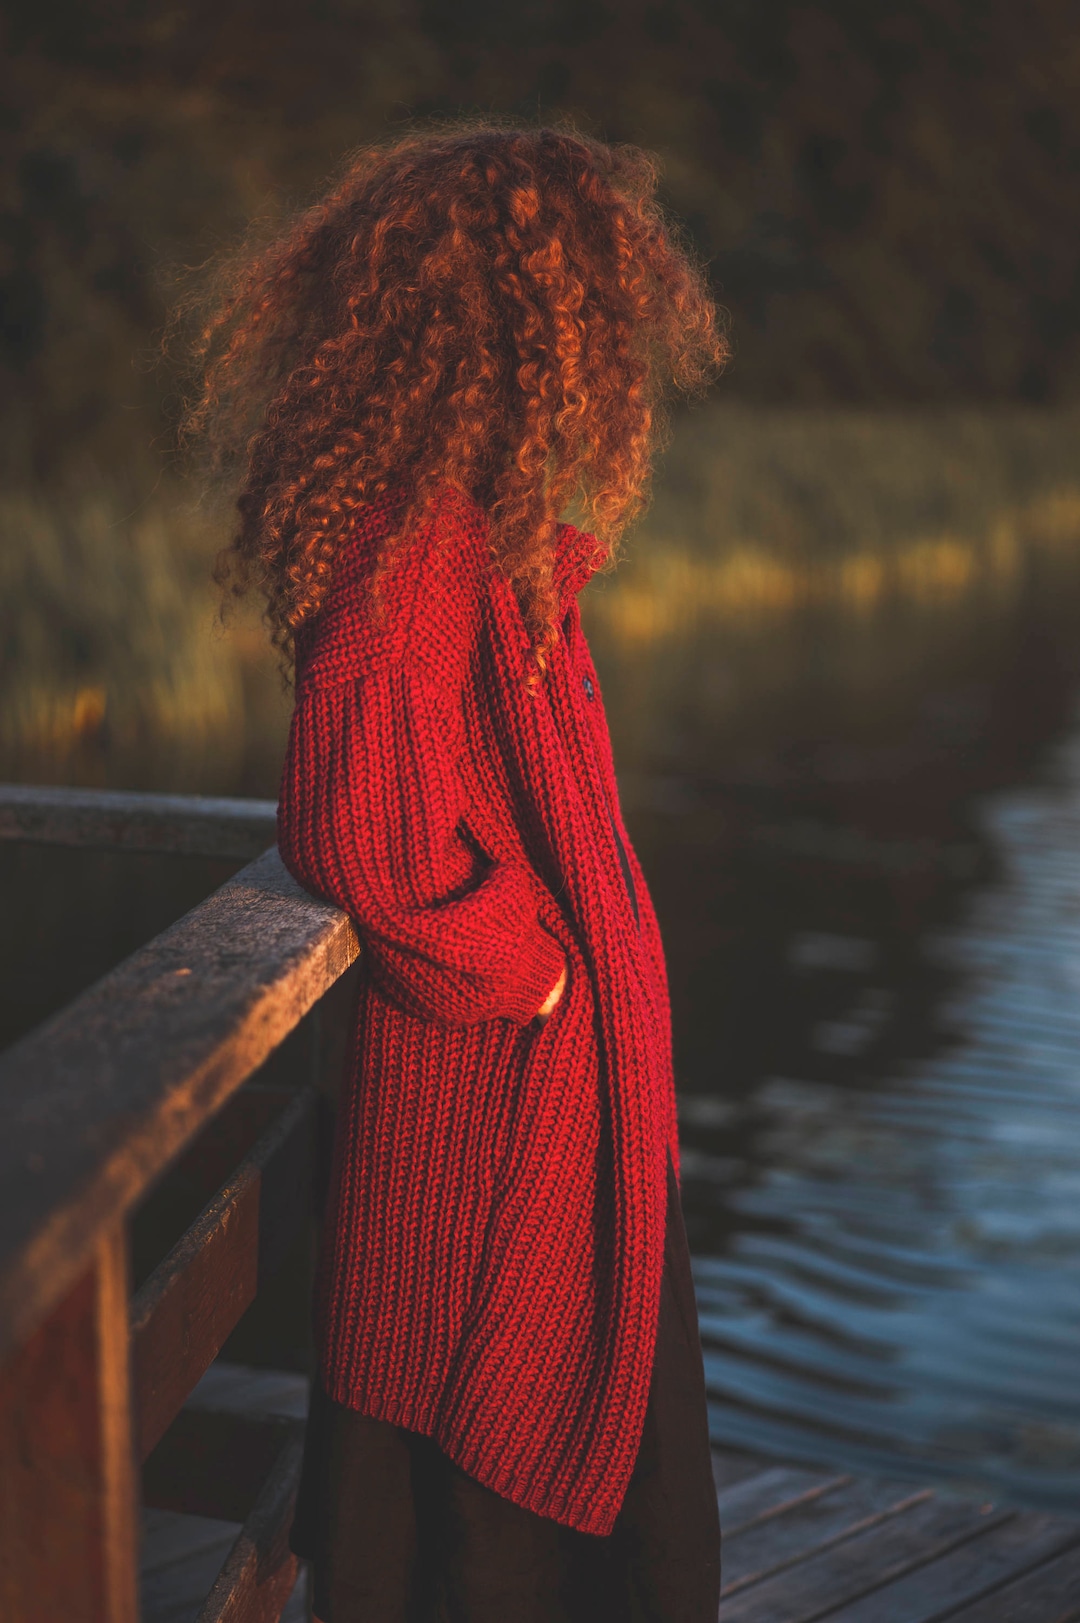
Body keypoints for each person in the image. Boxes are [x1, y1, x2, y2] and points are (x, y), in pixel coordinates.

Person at [189, 122, 725, 1623]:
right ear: (515, 328)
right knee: (487, 1542)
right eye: (583, 314)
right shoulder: (406, 545)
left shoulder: (462, 526)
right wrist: (537, 965)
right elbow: (361, 829)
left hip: (555, 1113)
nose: (603, 347)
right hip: (498, 1128)